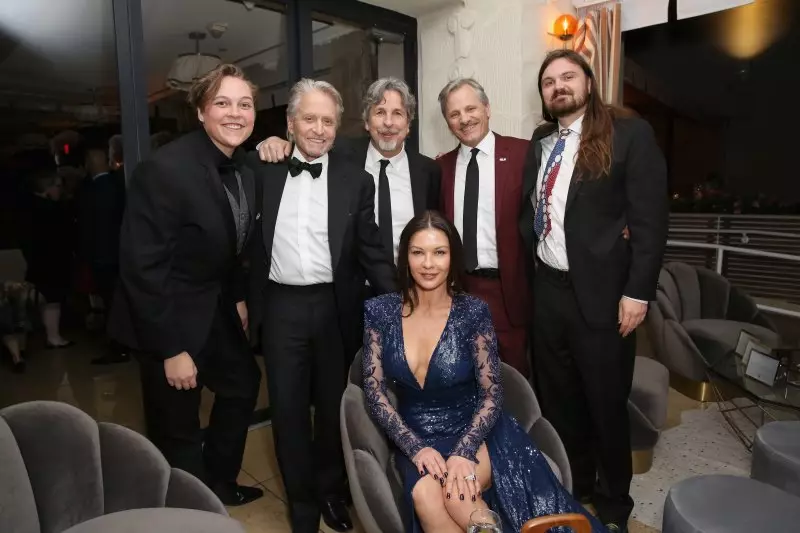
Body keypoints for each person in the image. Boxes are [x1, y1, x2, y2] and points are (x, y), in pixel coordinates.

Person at [362, 210, 606, 533]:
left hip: (473, 430)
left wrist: (464, 451)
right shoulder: (379, 311)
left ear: (453, 258)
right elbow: (374, 389)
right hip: (417, 436)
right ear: (405, 256)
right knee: (426, 496)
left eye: (439, 252)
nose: (428, 263)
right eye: (418, 252)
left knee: (459, 492)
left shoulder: (472, 313)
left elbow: (492, 392)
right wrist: (414, 446)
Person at [519, 49, 668, 533]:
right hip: (549, 292)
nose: (558, 86)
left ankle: (613, 507)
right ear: (543, 96)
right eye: (548, 82)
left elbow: (650, 222)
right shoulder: (541, 141)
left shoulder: (630, 134)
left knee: (605, 404)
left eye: (568, 77)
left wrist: (637, 292)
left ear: (588, 82)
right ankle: (573, 486)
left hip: (605, 299)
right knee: (559, 401)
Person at [108, 63, 263, 506]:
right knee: (177, 425)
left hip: (212, 305)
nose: (235, 113)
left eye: (245, 104)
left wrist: (235, 296)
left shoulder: (245, 169)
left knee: (241, 384)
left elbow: (232, 244)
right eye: (222, 103)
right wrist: (171, 350)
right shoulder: (165, 170)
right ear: (200, 111)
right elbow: (142, 268)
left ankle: (218, 483)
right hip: (164, 315)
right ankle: (187, 510)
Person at [245, 78, 396, 533]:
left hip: (335, 308)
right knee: (288, 410)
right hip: (281, 307)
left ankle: (331, 493)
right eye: (308, 119)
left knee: (333, 410)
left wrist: (395, 308)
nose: (318, 129)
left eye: (327, 121)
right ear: (290, 124)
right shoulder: (261, 170)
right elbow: (241, 242)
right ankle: (302, 503)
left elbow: (372, 250)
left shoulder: (357, 179)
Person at [257, 76, 441, 265]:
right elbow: (308, 143)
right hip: (354, 286)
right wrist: (271, 143)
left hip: (411, 282)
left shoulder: (428, 172)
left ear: (409, 124)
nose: (388, 122)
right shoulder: (339, 154)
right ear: (367, 122)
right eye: (379, 112)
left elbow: (436, 233)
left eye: (397, 113)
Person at [435, 78, 531, 377]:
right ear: (447, 122)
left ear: (487, 108)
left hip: (510, 292)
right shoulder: (440, 168)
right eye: (454, 114)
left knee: (516, 382)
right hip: (462, 291)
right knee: (470, 378)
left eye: (471, 108)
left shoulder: (524, 154)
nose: (464, 119)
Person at [20, 150, 74, 349]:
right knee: (52, 300)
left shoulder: (28, 206)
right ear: (47, 187)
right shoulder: (51, 210)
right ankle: (54, 337)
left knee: (46, 300)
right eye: (58, 186)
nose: (60, 191)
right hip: (51, 261)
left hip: (38, 261)